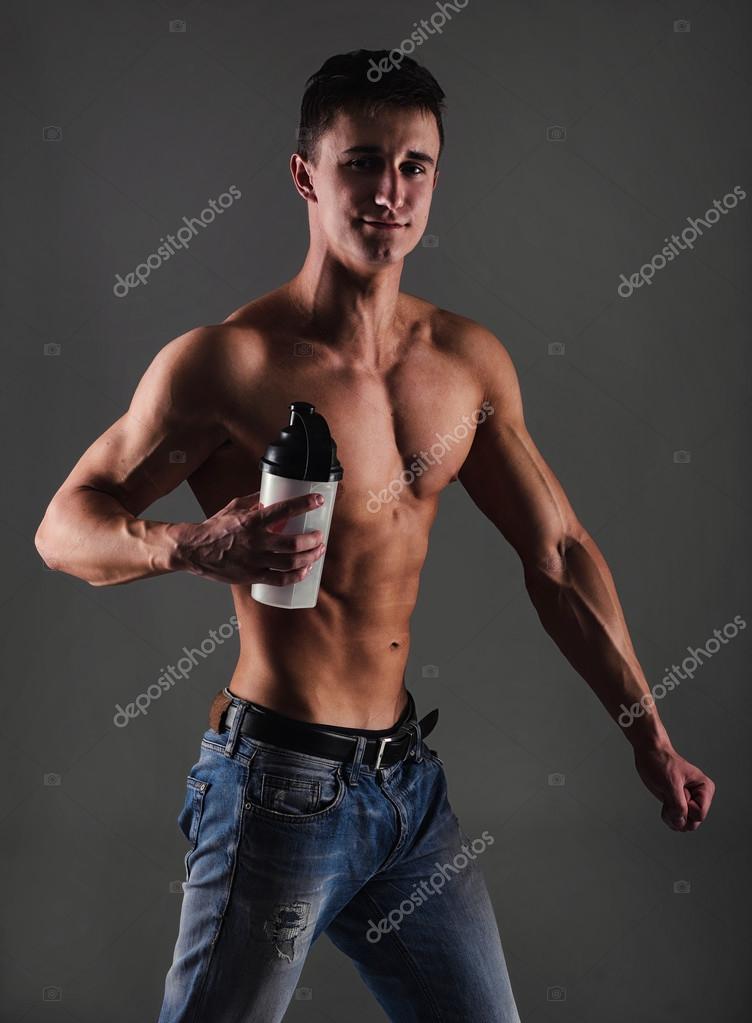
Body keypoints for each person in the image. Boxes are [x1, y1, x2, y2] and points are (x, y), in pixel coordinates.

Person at [35, 48, 715, 1023]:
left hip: (408, 795)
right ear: (305, 176)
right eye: (361, 163)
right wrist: (186, 546)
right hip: (276, 790)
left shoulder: (464, 362)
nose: (388, 192)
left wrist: (645, 734)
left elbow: (555, 554)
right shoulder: (226, 364)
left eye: (413, 167)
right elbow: (63, 528)